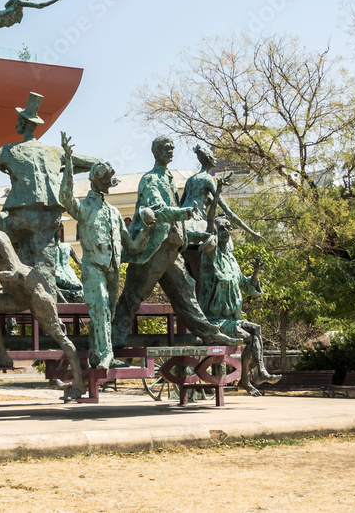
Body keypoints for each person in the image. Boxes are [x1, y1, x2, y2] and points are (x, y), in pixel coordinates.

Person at [0, 92, 100, 299]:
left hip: (21, 217)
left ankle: (1, 282)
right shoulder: (54, 152)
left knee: (0, 230)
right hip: (50, 218)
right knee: (41, 260)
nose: (15, 126)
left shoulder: (8, 151)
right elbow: (91, 163)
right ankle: (40, 295)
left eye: (17, 121)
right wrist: (94, 166)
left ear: (22, 123)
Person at [111, 136, 244, 349]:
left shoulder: (170, 178)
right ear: (156, 152)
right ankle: (112, 342)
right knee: (132, 296)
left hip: (171, 248)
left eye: (172, 148)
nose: (170, 152)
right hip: (152, 250)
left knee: (186, 293)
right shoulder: (150, 179)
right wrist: (185, 213)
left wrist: (190, 233)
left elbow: (177, 212)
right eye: (166, 148)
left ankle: (211, 334)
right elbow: (157, 209)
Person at [0, 198, 86, 400]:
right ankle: (3, 355)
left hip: (32, 290)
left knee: (59, 337)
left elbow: (14, 273)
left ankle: (79, 385)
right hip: (15, 295)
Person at [59, 132, 152, 369]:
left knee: (106, 315)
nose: (108, 181)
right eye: (104, 177)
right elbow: (65, 199)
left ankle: (95, 355)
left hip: (112, 270)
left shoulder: (113, 212)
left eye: (110, 177)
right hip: (93, 267)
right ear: (94, 179)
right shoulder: (85, 207)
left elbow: (130, 246)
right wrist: (68, 164)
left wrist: (147, 231)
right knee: (99, 308)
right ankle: (106, 357)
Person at [198, 177, 280, 396]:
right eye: (223, 228)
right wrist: (218, 193)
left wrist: (256, 272)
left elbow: (248, 286)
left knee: (256, 329)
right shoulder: (211, 257)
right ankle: (249, 378)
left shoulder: (232, 260)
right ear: (216, 232)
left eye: (229, 229)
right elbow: (210, 219)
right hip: (216, 320)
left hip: (233, 318)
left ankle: (258, 372)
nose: (227, 231)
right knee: (248, 337)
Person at [179, 144, 261, 243]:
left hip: (183, 217)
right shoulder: (207, 178)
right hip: (196, 219)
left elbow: (180, 204)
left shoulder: (190, 179)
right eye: (213, 157)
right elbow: (228, 211)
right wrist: (252, 233)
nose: (216, 159)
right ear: (209, 159)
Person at [53, 228, 84, 303]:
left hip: (61, 276)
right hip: (69, 277)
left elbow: (79, 263)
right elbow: (79, 263)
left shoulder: (65, 246)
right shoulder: (67, 246)